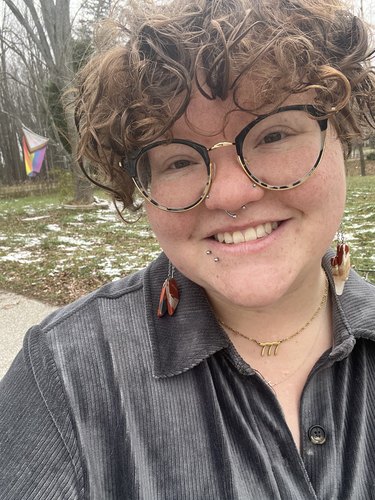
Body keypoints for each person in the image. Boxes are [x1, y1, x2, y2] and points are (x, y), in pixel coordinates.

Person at [1, 0, 375, 498]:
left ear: (343, 135)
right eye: (178, 161)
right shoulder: (66, 378)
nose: (229, 194)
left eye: (274, 133)